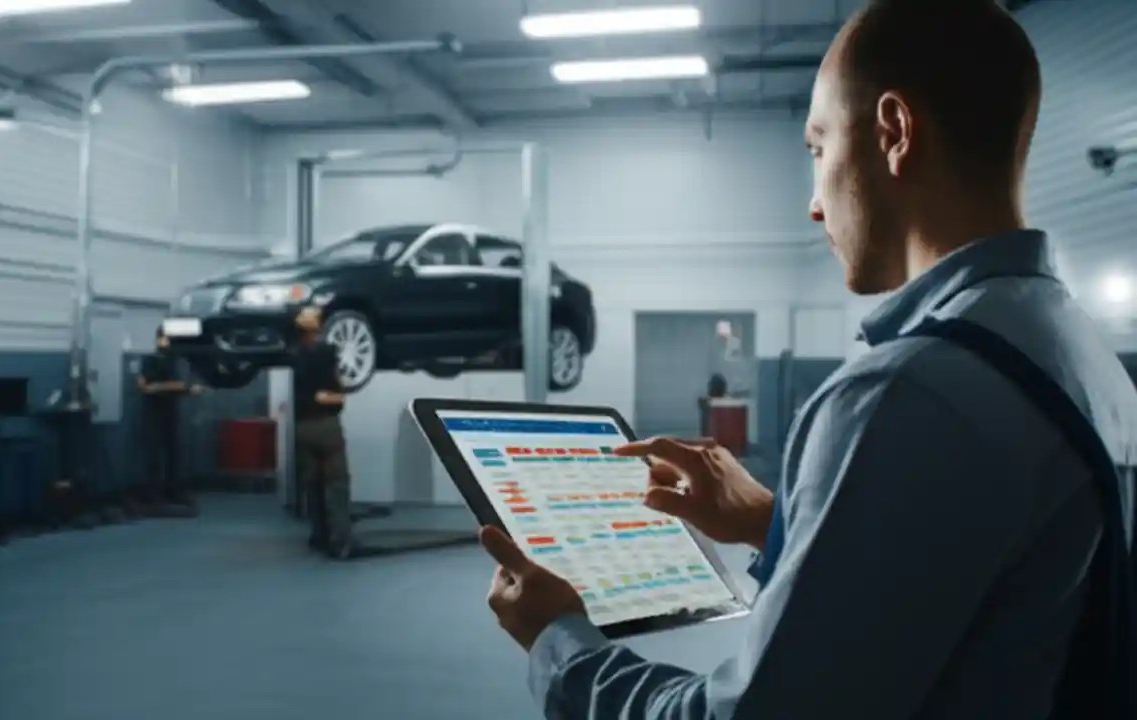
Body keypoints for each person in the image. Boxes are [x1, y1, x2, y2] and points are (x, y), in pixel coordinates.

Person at [478, 2, 1137, 719]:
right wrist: (775, 520)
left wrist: (559, 641)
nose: (815, 205)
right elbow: (986, 583)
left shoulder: (907, 391)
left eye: (818, 148)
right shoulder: (1077, 355)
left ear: (893, 132)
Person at [291, 307, 358, 559]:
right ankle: (341, 540)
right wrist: (334, 397)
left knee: (313, 484)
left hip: (301, 427)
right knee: (336, 484)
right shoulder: (327, 353)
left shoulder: (292, 356)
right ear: (317, 328)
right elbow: (338, 393)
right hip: (326, 426)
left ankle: (318, 535)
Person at [135, 327, 202, 517]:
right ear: (159, 339)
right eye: (167, 339)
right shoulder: (149, 360)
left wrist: (183, 389)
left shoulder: (173, 360)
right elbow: (144, 387)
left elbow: (173, 385)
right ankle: (153, 494)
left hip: (170, 411)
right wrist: (178, 387)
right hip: (152, 413)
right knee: (153, 455)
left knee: (174, 452)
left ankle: (173, 491)